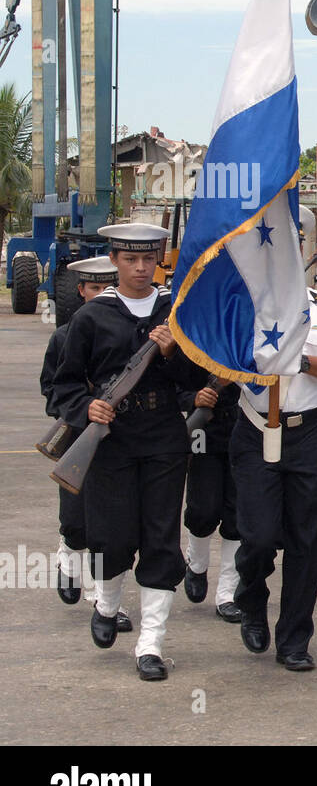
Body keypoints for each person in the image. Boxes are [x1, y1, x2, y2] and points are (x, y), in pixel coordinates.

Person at [51, 224, 205, 681]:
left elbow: (196, 383)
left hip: (162, 437)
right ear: (114, 259)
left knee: (160, 538)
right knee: (112, 536)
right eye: (130, 259)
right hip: (110, 440)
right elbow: (63, 385)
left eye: (148, 259)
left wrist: (174, 352)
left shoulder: (174, 312)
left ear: (158, 257)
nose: (140, 268)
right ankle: (107, 604)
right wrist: (86, 407)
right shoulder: (91, 317)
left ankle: (151, 645)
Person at [230, 216, 317, 672]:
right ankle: (251, 600)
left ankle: (295, 638)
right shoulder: (241, 305)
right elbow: (221, 364)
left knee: (307, 541)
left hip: (307, 433)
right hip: (254, 429)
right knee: (259, 537)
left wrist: (297, 359)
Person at [41, 256, 131, 632]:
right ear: (81, 291)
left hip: (121, 443)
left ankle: (104, 599)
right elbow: (52, 393)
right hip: (80, 440)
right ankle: (66, 554)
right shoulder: (64, 336)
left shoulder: (129, 331)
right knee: (76, 523)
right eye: (94, 288)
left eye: (107, 288)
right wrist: (84, 406)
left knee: (108, 528)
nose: (100, 295)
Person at [180, 379, 243, 623]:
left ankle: (227, 593)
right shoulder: (195, 340)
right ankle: (196, 564)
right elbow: (174, 381)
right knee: (202, 509)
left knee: (236, 512)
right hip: (202, 428)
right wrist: (192, 398)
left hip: (242, 425)